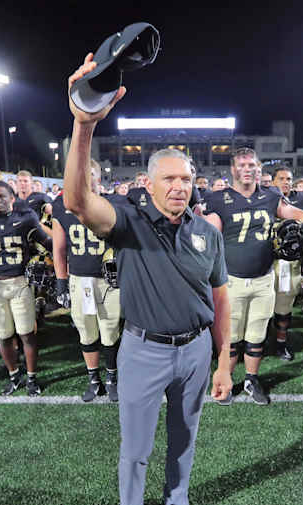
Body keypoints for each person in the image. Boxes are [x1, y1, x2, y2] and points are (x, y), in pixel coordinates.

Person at [64, 53, 231, 505]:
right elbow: (78, 201)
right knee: (135, 450)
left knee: (184, 442)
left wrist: (225, 357)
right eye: (169, 179)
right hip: (143, 349)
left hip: (197, 351)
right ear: (150, 184)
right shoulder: (129, 222)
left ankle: (177, 499)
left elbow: (220, 294)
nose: (179, 186)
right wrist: (84, 126)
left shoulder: (207, 231)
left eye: (186, 178)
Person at [203, 147, 303, 406]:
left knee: (257, 334)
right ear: (233, 170)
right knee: (231, 338)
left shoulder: (271, 195)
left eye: (252, 165)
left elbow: (292, 213)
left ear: (258, 169)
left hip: (264, 278)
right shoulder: (219, 199)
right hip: (232, 280)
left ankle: (251, 379)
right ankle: (226, 380)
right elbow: (209, 234)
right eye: (242, 165)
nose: (247, 169)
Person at [0, 180, 51, 396]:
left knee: (27, 334)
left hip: (20, 282)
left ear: (12, 198)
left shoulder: (25, 218)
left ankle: (31, 378)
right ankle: (14, 375)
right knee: (3, 335)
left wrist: (57, 260)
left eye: (1, 196)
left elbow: (46, 242)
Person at [53, 159, 125, 401]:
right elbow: (59, 248)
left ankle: (112, 378)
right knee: (87, 332)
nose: (84, 178)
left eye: (90, 173)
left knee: (110, 330)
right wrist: (61, 282)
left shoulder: (115, 202)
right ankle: (94, 379)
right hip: (80, 279)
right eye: (79, 173)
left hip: (109, 280)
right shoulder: (61, 204)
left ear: (99, 177)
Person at [269, 166, 303, 359]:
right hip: (265, 264)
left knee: (284, 309)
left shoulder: (300, 201)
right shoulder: (264, 200)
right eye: (282, 179)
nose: (286, 182)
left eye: (289, 179)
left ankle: (280, 344)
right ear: (273, 182)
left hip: (289, 265)